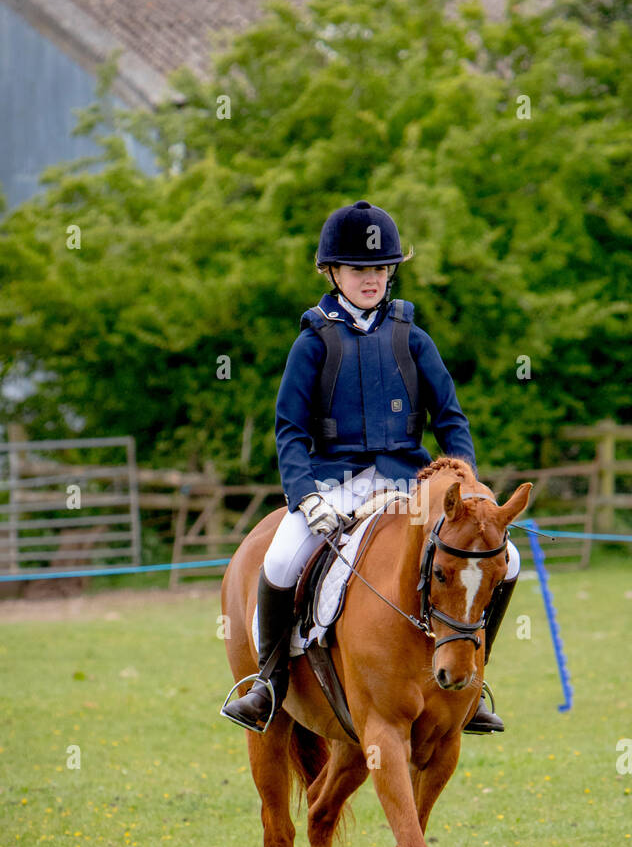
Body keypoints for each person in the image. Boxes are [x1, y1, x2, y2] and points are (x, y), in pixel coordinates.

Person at [221, 199, 519, 733]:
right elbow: (289, 429)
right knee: (281, 560)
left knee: (510, 558)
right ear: (332, 272)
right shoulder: (312, 342)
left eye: (381, 269)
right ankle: (268, 683)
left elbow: (451, 419)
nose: (371, 279)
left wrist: (467, 484)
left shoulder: (412, 338)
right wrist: (305, 496)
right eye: (359, 269)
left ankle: (473, 681)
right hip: (333, 485)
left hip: (410, 484)